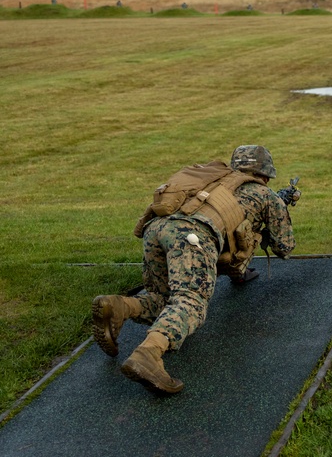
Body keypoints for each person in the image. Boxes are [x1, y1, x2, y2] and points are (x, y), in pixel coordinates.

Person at [91, 145, 297, 394]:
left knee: (165, 299)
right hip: (191, 235)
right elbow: (284, 247)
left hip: (156, 228)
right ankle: (149, 353)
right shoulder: (265, 195)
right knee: (191, 302)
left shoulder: (215, 183)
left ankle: (120, 306)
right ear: (265, 175)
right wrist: (278, 207)